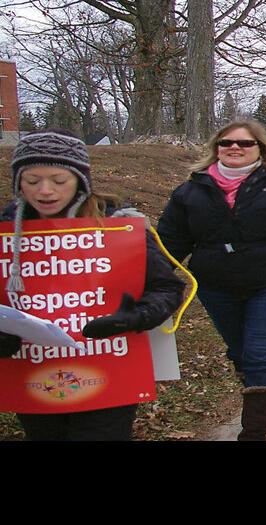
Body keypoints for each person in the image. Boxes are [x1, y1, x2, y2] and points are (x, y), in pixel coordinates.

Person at [157, 120, 266, 441]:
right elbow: (170, 241)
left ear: (260, 148)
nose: (235, 148)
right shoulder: (190, 191)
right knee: (242, 352)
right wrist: (151, 278)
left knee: (263, 353)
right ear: (216, 148)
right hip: (217, 287)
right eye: (226, 143)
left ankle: (254, 429)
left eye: (244, 143)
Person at [1, 128, 185, 441]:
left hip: (109, 373)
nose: (45, 191)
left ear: (80, 180)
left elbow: (167, 289)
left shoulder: (118, 225)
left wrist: (136, 317)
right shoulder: (5, 231)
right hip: (32, 376)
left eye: (59, 180)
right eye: (32, 180)